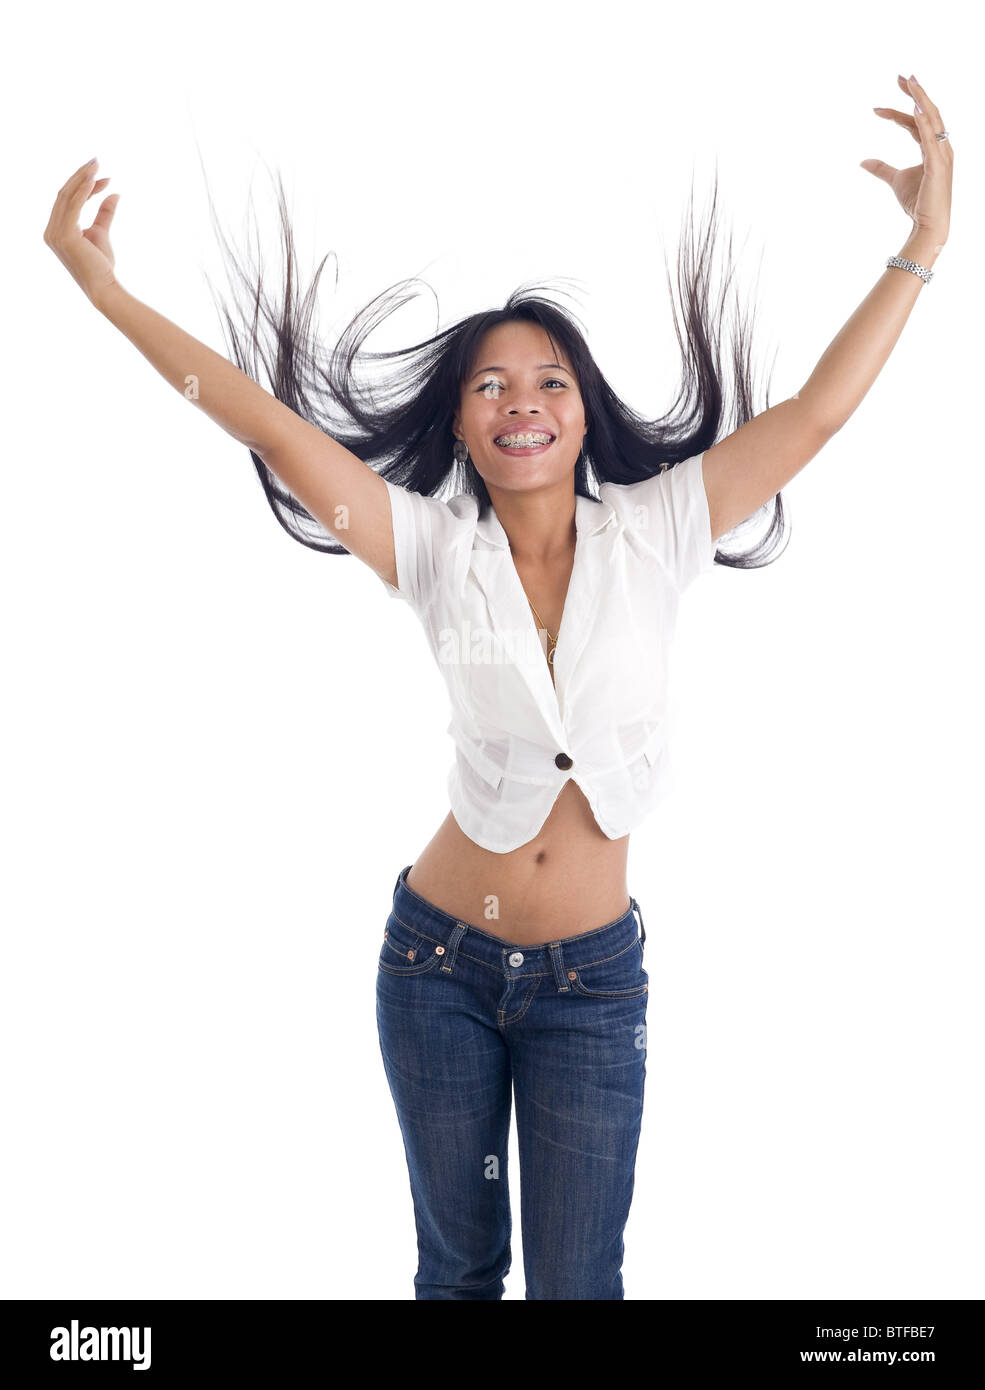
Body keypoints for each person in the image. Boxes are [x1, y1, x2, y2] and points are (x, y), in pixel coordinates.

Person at [43, 76, 951, 1298]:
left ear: (582, 416)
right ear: (465, 430)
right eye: (490, 386)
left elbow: (819, 415)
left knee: (577, 1284)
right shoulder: (425, 548)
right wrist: (108, 294)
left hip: (590, 987)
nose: (521, 398)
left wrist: (921, 246)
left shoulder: (662, 526)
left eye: (549, 382)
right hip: (437, 973)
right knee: (459, 1273)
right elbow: (263, 425)